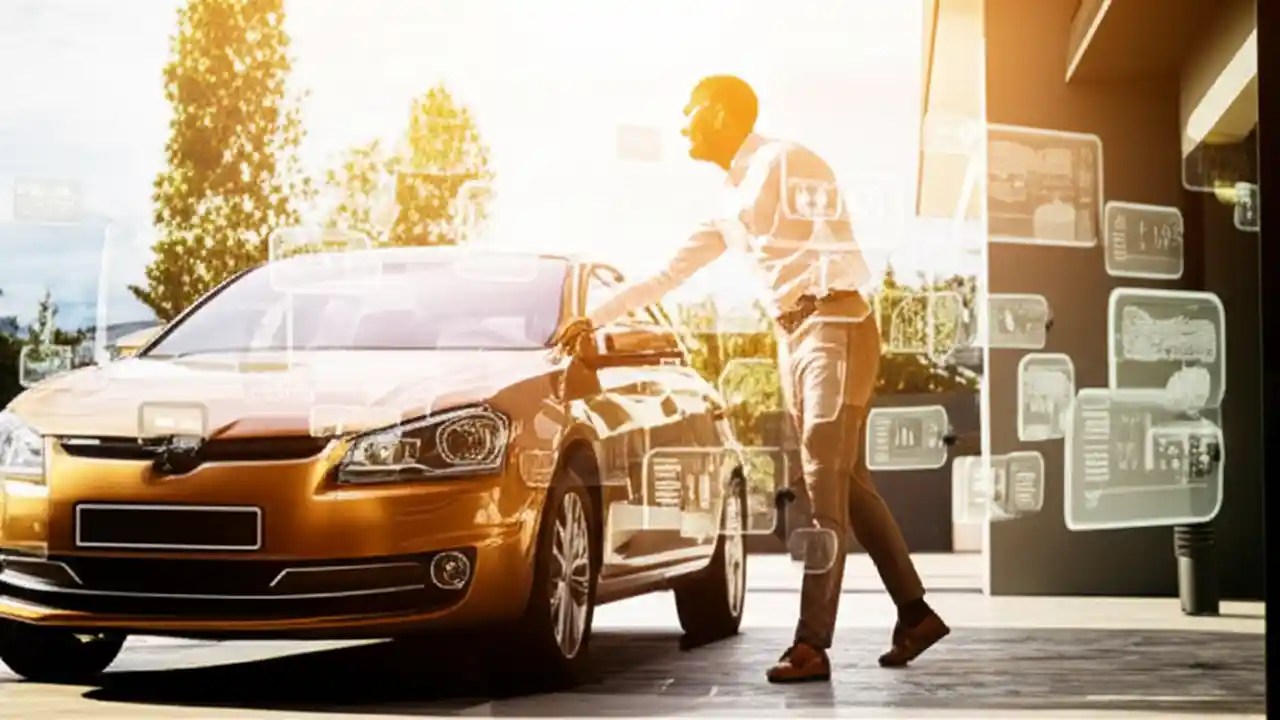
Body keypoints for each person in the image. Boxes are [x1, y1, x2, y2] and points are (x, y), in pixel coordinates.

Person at [561, 74, 949, 683]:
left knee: (821, 482)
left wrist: (827, 304)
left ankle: (812, 644)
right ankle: (916, 614)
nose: (683, 122)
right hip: (794, 337)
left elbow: (837, 240)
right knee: (845, 484)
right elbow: (666, 275)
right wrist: (593, 317)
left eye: (690, 111)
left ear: (719, 111)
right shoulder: (724, 202)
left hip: (835, 322)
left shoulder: (785, 160)